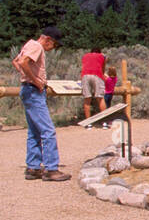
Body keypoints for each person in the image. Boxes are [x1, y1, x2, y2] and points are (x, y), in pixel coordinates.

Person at [12, 26, 71, 182]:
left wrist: (26, 77)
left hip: (27, 90)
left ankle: (33, 167)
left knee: (34, 131)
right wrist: (36, 81)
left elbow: (16, 62)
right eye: (55, 44)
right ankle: (51, 169)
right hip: (33, 91)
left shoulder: (29, 44)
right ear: (48, 40)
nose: (53, 48)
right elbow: (23, 62)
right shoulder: (37, 46)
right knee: (48, 130)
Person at [80, 46, 107, 121]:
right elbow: (103, 68)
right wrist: (103, 76)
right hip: (97, 74)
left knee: (87, 98)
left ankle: (88, 122)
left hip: (85, 75)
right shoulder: (102, 56)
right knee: (100, 98)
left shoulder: (85, 56)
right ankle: (104, 121)